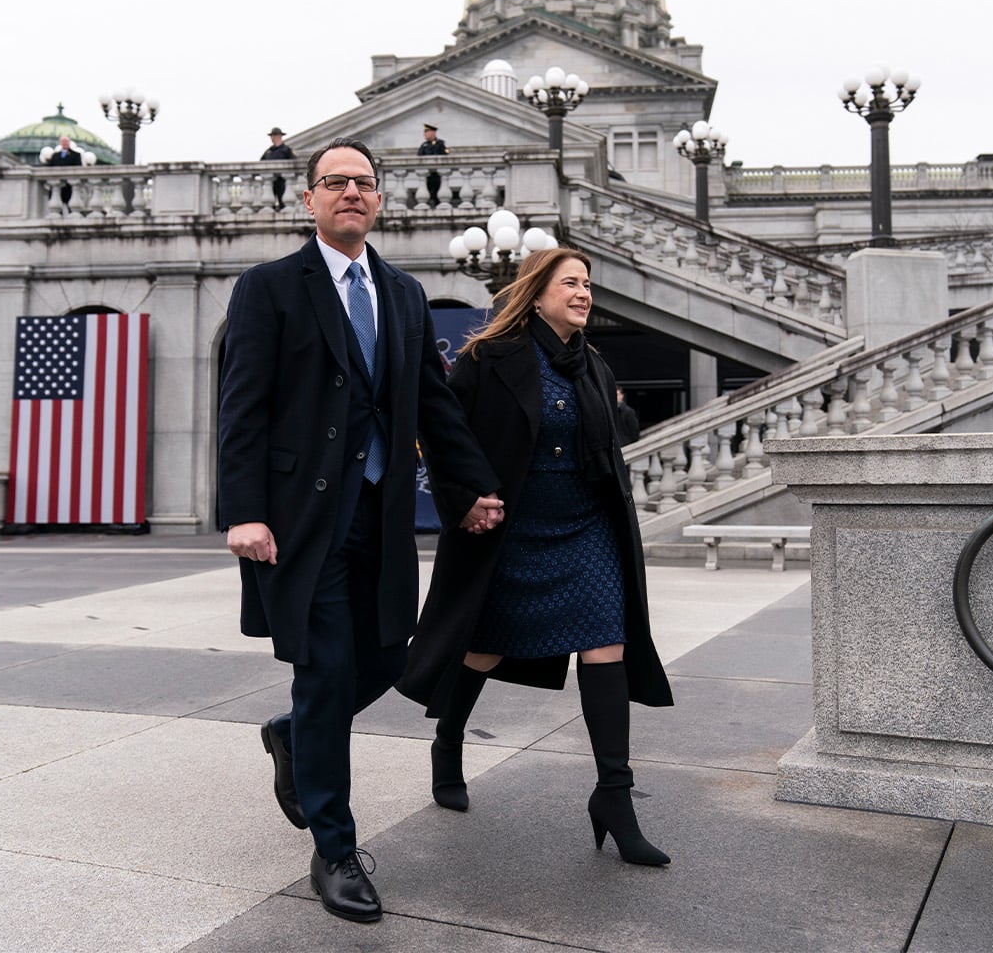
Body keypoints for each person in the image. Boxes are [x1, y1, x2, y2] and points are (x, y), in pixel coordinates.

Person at [217, 136, 505, 924]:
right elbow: (241, 406)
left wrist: (472, 485)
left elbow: (432, 407)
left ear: (381, 200)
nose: (351, 192)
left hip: (381, 517)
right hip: (300, 523)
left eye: (365, 183)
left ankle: (294, 735)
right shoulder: (269, 288)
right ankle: (336, 851)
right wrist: (242, 510)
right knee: (326, 669)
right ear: (308, 200)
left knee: (385, 660)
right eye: (335, 182)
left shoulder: (404, 294)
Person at [399, 248, 675, 867]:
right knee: (485, 648)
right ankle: (449, 741)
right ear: (537, 292)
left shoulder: (593, 364)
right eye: (570, 283)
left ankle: (615, 796)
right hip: (512, 529)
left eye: (587, 285)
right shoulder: (486, 359)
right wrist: (466, 498)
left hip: (588, 527)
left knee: (607, 645)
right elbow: (440, 436)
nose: (583, 293)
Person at [259, 126, 294, 209]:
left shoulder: (286, 150)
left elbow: (293, 163)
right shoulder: (269, 151)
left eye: (273, 135)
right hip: (270, 181)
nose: (272, 138)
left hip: (282, 180)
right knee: (269, 205)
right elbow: (261, 163)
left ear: (279, 136)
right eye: (271, 136)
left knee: (284, 204)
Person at [45, 135, 81, 206]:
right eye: (63, 141)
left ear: (69, 142)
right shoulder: (55, 155)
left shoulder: (76, 155)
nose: (64, 143)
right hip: (56, 183)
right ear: (60, 143)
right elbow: (49, 168)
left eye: (66, 141)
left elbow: (78, 168)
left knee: (71, 205)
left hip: (70, 185)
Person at [418, 123, 448, 206]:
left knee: (437, 191)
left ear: (433, 133)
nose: (425, 134)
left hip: (437, 174)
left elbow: (444, 155)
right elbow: (419, 156)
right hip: (427, 175)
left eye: (427, 132)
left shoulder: (440, 144)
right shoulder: (424, 145)